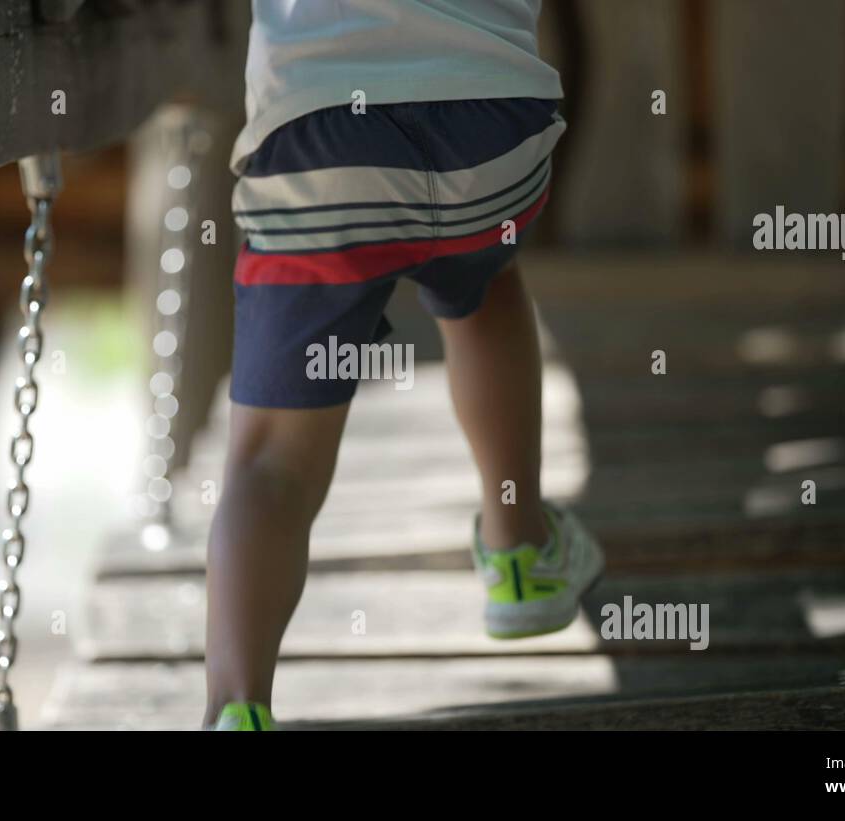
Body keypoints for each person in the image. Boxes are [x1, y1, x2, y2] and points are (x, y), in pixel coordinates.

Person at [205, 0, 603, 731]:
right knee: (484, 285)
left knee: (272, 465)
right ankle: (521, 555)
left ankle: (238, 706)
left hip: (321, 138)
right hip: (492, 127)